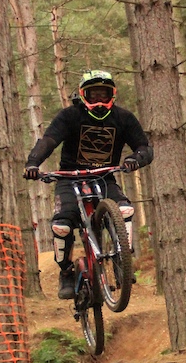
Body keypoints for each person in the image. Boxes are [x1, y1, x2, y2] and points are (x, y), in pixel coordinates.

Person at [24, 70, 153, 299]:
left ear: (113, 94)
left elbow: (144, 147)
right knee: (62, 225)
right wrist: (33, 163)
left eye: (104, 95)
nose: (99, 101)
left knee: (124, 210)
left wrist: (135, 159)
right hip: (69, 177)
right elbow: (50, 140)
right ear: (83, 95)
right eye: (93, 95)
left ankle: (122, 261)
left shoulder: (123, 118)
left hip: (104, 177)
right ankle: (66, 271)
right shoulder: (70, 116)